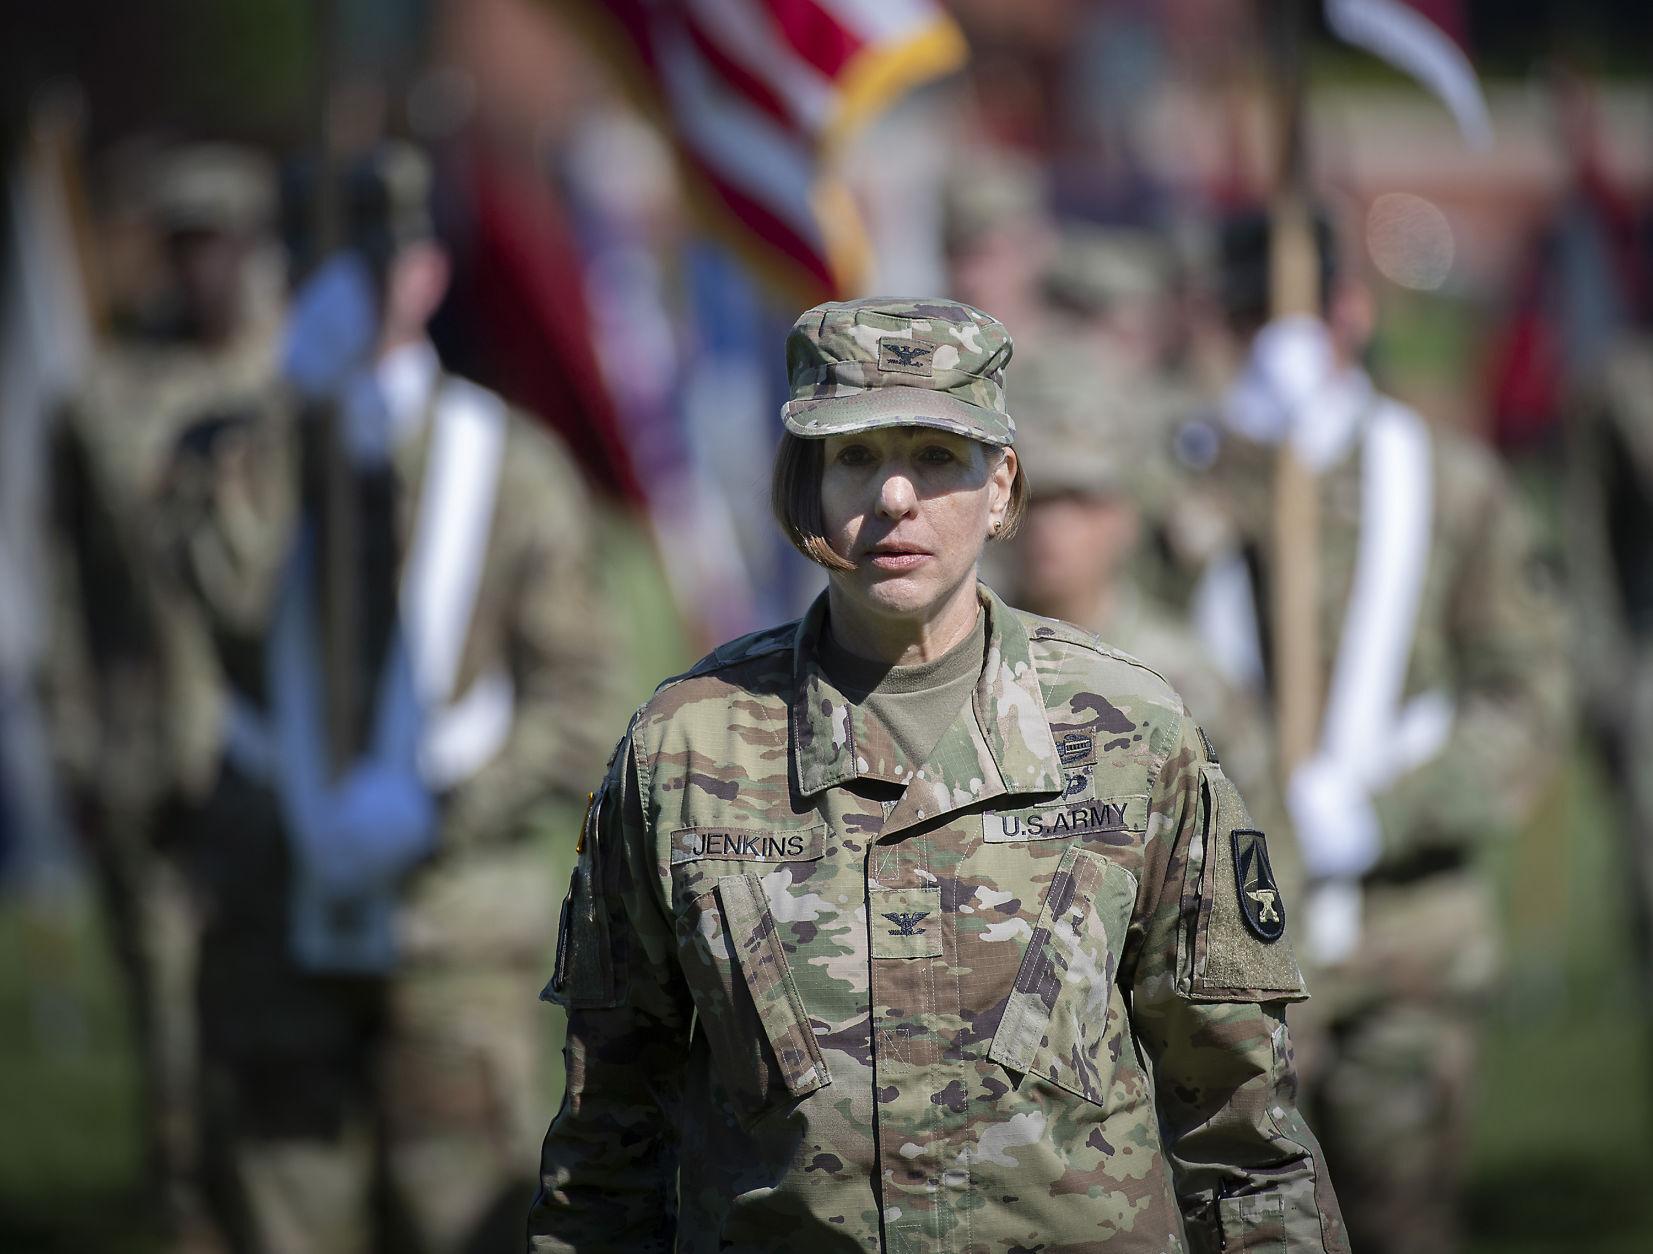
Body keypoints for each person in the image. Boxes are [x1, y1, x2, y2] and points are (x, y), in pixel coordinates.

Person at [530, 297, 1348, 1252]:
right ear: (803, 486)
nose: (893, 498)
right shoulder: (683, 749)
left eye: (933, 455)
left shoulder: (1134, 734)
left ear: (1001, 488)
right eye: (854, 456)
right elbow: (605, 1146)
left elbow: (1241, 1135)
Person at [157, 142, 613, 1254]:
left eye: (383, 257)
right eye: (328, 259)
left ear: (428, 271)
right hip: (272, 912)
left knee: (467, 1222)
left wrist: (445, 806)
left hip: (453, 928)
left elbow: (580, 699)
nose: (358, 287)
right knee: (282, 1219)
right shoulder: (224, 454)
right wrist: (292, 414)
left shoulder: (511, 463)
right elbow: (225, 604)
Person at [1187, 208, 1569, 1254]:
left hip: (1408, 943)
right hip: (1231, 944)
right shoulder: (1192, 468)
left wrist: (1387, 813)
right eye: (1245, 318)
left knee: (1402, 1222)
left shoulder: (1447, 481)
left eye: (1290, 316)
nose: (1265, 340)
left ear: (1350, 313)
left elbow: (1525, 694)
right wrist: (1233, 462)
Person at [40, 140, 279, 1250]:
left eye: (223, 243)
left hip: (275, 761)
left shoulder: (300, 381)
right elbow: (65, 588)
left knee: (286, 1037)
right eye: (184, 246)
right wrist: (75, 741)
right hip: (151, 757)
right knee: (177, 1037)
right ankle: (190, 1215)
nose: (204, 269)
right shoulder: (102, 399)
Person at [1003, 344, 1283, 876]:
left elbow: (1258, 858)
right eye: (1034, 500)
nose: (1050, 529)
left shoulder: (1187, 683)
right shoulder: (962, 663)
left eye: (1078, 501)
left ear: (1124, 517)